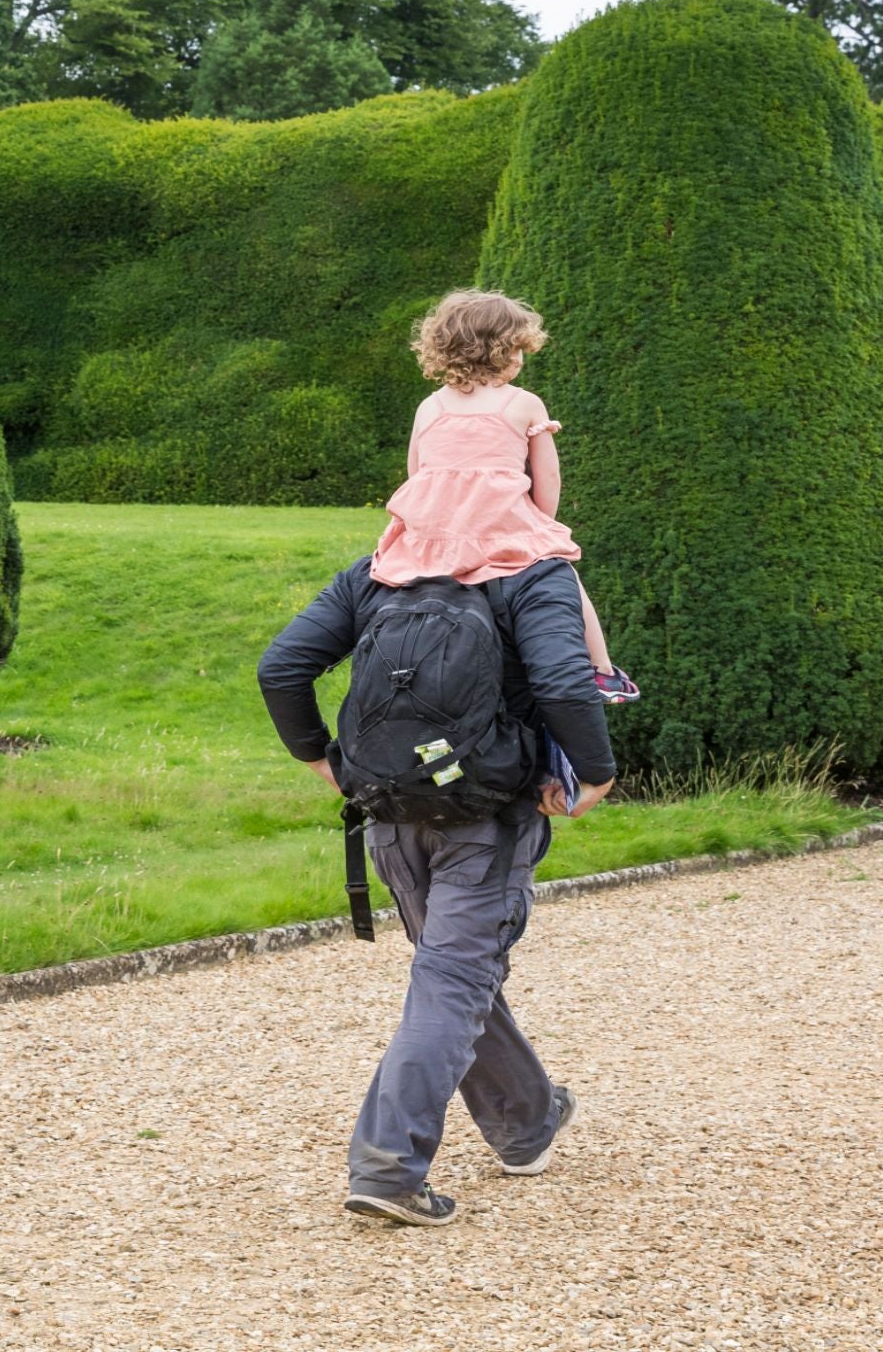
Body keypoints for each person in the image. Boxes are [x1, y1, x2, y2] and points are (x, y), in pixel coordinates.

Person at [257, 525, 618, 1227]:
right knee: (452, 983)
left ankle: (527, 1121)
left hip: (391, 813)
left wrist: (319, 758)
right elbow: (562, 682)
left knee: (452, 977)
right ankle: (389, 1168)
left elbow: (282, 668)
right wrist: (595, 774)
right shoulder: (529, 571)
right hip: (487, 816)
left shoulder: (383, 568)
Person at [372, 288, 640, 703]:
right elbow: (547, 479)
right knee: (563, 573)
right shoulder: (524, 402)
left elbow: (416, 474)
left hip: (435, 534)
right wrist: (541, 528)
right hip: (499, 527)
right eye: (519, 349)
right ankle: (602, 671)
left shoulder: (429, 406)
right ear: (503, 350)